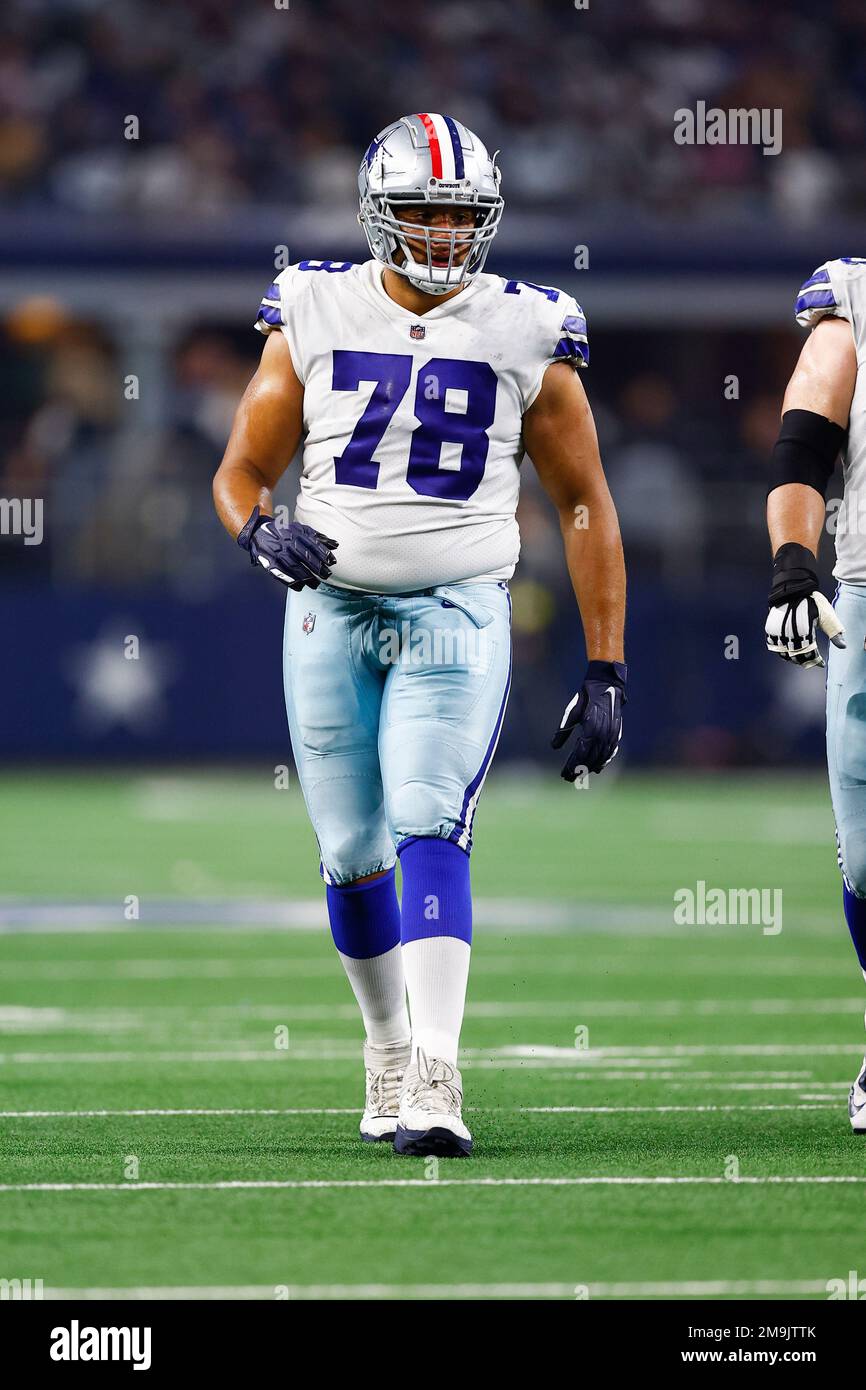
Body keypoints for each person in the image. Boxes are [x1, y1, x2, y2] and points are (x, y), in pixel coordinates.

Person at [213, 113, 626, 1157]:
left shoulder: (526, 324)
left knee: (429, 819)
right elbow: (238, 473)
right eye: (422, 211)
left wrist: (604, 664)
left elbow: (582, 502)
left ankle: (437, 1070)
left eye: (460, 214)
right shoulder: (313, 304)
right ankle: (388, 1043)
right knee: (349, 851)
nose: (442, 233)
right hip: (331, 608)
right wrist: (259, 532)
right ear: (374, 214)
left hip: (455, 606)